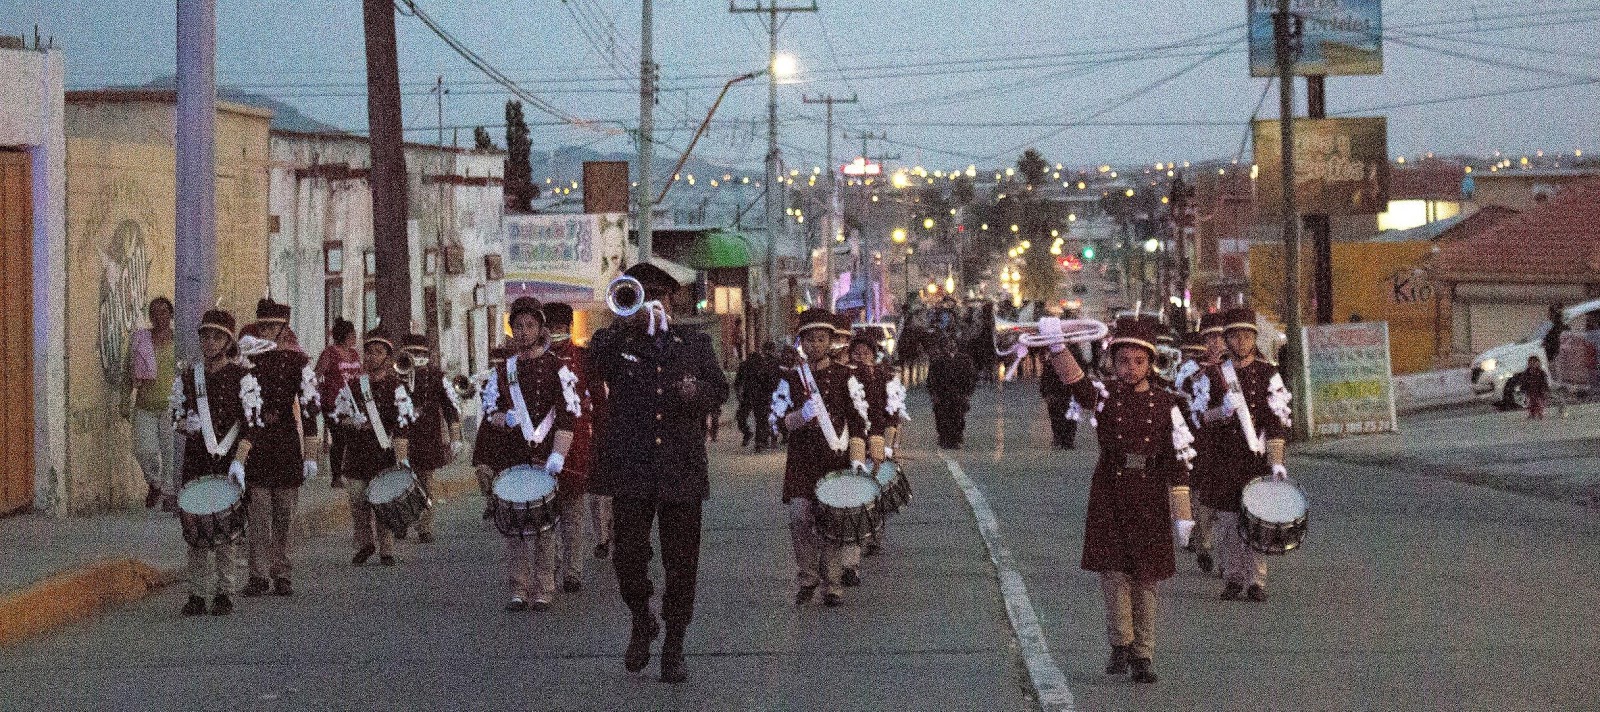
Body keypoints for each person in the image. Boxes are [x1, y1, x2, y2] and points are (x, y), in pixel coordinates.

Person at [587, 262, 729, 684]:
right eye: (638, 294)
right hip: (631, 470)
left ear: (671, 299)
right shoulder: (615, 342)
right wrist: (624, 324)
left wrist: (696, 394)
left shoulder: (693, 343)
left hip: (681, 471)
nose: (648, 302)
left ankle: (674, 645)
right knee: (627, 557)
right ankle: (640, 617)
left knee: (681, 565)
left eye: (656, 295)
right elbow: (594, 365)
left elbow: (719, 389)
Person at [1041, 314, 1197, 684]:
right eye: (1123, 361)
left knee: (1147, 579)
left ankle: (1143, 654)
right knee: (1114, 575)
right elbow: (1076, 384)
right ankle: (1120, 644)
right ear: (1113, 361)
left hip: (1150, 496)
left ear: (1150, 363)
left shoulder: (1167, 403)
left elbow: (1178, 463)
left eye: (1139, 361)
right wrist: (1058, 347)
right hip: (1110, 491)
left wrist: (1184, 514)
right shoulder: (1105, 396)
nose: (1130, 368)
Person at [482, 297, 579, 611]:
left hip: (546, 453)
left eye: (530, 326)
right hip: (513, 453)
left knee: (544, 525)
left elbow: (568, 414)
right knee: (515, 526)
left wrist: (559, 455)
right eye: (518, 326)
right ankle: (519, 587)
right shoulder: (504, 371)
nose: (523, 332)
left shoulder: (556, 366)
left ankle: (544, 587)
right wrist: (501, 418)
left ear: (540, 329)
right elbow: (489, 410)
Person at [1192, 307, 1292, 603]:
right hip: (1224, 459)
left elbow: (1278, 418)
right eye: (1235, 336)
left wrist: (1276, 462)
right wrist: (1219, 413)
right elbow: (1198, 418)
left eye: (1247, 335)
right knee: (1228, 522)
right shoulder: (1212, 375)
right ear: (1227, 340)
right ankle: (1234, 577)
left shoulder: (1268, 374)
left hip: (1255, 459)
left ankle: (1257, 580)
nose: (1241, 341)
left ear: (1254, 338)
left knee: (1257, 521)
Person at [771, 309, 872, 606]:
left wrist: (857, 457)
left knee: (833, 521)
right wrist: (798, 417)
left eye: (821, 339)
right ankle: (807, 577)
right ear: (802, 343)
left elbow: (859, 419)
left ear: (830, 342)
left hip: (836, 460)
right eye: (810, 340)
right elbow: (775, 423)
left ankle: (833, 583)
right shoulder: (791, 379)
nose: (816, 345)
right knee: (799, 518)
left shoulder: (846, 377)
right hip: (803, 460)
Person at [169, 309, 252, 616]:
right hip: (196, 459)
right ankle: (196, 592)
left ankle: (224, 591)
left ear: (228, 340)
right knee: (195, 528)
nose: (210, 342)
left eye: (217, 336)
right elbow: (176, 416)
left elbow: (251, 423)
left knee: (226, 529)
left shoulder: (242, 377)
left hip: (228, 460)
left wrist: (240, 462)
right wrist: (183, 423)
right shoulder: (189, 377)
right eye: (205, 335)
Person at [237, 300, 321, 598]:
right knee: (257, 515)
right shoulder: (245, 362)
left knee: (284, 514)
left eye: (273, 326)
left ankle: (282, 572)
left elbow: (311, 408)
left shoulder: (297, 363)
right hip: (256, 445)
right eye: (263, 326)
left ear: (283, 329)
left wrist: (310, 454)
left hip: (286, 444)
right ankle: (257, 575)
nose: (267, 331)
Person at [329, 329, 414, 567]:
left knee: (382, 501)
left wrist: (402, 456)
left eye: (378, 352)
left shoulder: (396, 387)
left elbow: (403, 423)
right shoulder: (355, 386)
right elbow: (339, 416)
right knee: (357, 499)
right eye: (369, 351)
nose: (372, 356)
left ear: (388, 356)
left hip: (383, 453)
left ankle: (386, 548)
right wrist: (350, 421)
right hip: (357, 452)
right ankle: (365, 542)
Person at [543, 302, 601, 579]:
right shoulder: (536, 358)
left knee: (573, 511)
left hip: (576, 439)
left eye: (559, 328)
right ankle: (551, 565)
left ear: (567, 328)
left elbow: (598, 398)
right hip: (541, 439)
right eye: (550, 328)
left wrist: (601, 431)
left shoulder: (583, 357)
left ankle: (573, 571)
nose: (555, 333)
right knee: (546, 510)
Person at [845, 334, 907, 559]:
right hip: (854, 437)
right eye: (856, 352)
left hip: (879, 436)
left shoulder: (884, 376)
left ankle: (875, 533)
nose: (860, 356)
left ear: (873, 354)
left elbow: (893, 410)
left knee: (876, 487)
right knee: (857, 486)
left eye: (865, 352)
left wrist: (889, 441)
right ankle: (858, 534)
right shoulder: (846, 375)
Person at [397, 334, 463, 543]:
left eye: (420, 354)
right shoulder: (396, 375)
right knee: (401, 481)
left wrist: (455, 438)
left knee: (426, 482)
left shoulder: (436, 376)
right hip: (401, 436)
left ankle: (425, 525)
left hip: (428, 436)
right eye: (412, 353)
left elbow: (450, 407)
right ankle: (401, 521)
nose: (416, 359)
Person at [1176, 312, 1226, 576]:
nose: (1215, 342)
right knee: (1205, 499)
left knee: (1231, 505)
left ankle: (1228, 558)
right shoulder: (1191, 371)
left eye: (1219, 337)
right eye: (1210, 338)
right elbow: (1181, 409)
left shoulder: (1238, 366)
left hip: (1233, 444)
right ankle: (1204, 545)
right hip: (1202, 442)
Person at [127, 296, 177, 510]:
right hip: (145, 404)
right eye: (154, 312)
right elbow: (127, 369)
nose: (159, 316)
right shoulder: (140, 340)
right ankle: (155, 483)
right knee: (143, 450)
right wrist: (124, 397)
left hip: (171, 407)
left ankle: (167, 493)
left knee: (170, 452)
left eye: (164, 312)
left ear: (171, 315)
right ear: (150, 316)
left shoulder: (179, 340)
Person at [315, 319, 364, 489]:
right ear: (344, 336)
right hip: (332, 403)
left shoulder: (355, 354)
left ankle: (350, 470)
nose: (355, 338)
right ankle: (336, 476)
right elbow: (317, 373)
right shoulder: (330, 353)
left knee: (353, 437)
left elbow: (361, 376)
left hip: (352, 404)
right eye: (352, 335)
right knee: (339, 438)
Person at [471, 347, 518, 520]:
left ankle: (503, 502)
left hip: (508, 429)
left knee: (505, 470)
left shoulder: (513, 378)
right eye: (493, 364)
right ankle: (490, 500)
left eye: (500, 364)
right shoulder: (487, 381)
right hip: (488, 430)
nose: (496, 367)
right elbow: (482, 400)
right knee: (482, 469)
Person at [927, 340, 978, 449]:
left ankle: (955, 438)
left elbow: (971, 378)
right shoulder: (937, 361)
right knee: (942, 417)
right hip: (942, 394)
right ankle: (944, 438)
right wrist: (934, 394)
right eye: (948, 344)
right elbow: (931, 379)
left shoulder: (965, 360)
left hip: (959, 393)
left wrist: (967, 393)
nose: (950, 346)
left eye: (953, 344)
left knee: (957, 416)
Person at [1040, 342, 1088, 450]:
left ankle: (1064, 439)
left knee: (1063, 416)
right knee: (1061, 416)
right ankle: (1063, 439)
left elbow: (1046, 374)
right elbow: (1046, 374)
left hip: (1065, 390)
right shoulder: (1055, 353)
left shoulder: (1066, 353)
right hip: (1061, 390)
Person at [733, 343, 779, 452]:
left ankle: (761, 440)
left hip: (755, 395)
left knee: (759, 419)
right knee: (760, 419)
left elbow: (771, 380)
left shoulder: (765, 364)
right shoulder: (754, 365)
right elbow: (738, 381)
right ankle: (760, 440)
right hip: (756, 396)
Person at [1521, 355, 1550, 420]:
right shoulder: (1526, 373)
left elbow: (1544, 381)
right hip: (1530, 391)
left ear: (1538, 363)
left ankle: (1540, 413)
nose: (1533, 364)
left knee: (1539, 403)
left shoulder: (1541, 372)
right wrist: (1523, 389)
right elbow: (1524, 381)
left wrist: (1545, 389)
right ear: (1528, 364)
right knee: (1531, 403)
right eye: (1531, 363)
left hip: (1539, 391)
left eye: (1535, 362)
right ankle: (1532, 414)